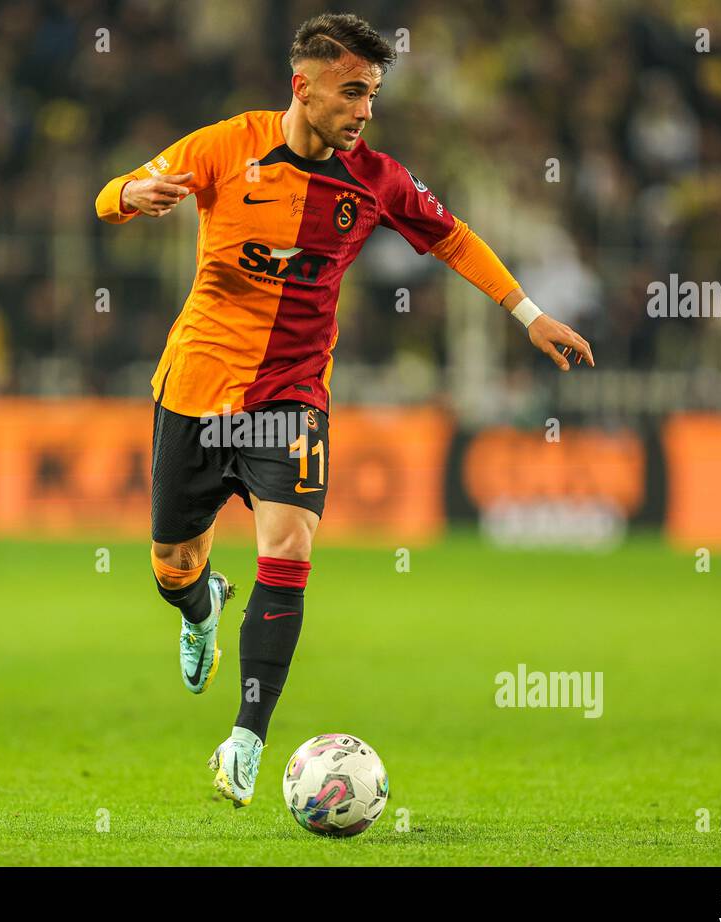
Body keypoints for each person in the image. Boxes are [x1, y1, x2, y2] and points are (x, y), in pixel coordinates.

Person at [94, 12, 594, 807]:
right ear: (304, 86)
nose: (365, 109)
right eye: (352, 91)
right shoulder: (227, 145)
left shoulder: (378, 180)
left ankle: (247, 739)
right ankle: (202, 607)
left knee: (287, 550)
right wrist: (132, 192)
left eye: (374, 93)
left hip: (290, 399)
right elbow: (106, 199)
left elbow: (454, 237)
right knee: (171, 567)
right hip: (193, 392)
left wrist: (529, 314)